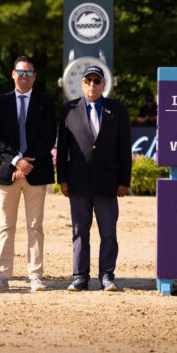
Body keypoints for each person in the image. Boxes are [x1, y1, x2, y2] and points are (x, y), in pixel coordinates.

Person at [57, 65, 131, 292]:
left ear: (103, 85)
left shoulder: (117, 110)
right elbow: (62, 148)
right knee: (80, 231)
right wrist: (62, 179)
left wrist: (124, 181)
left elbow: (124, 149)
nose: (92, 85)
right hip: (78, 182)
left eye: (96, 81)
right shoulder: (69, 109)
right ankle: (80, 277)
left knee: (108, 232)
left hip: (108, 183)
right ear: (82, 84)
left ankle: (107, 276)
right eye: (88, 80)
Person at [0, 56, 57, 293]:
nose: (24, 77)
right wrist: (17, 162)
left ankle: (35, 275)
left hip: (36, 172)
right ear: (13, 74)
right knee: (6, 226)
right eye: (21, 72)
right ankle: (2, 276)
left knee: (35, 227)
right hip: (8, 173)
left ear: (34, 77)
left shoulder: (46, 102)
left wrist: (27, 164)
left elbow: (48, 136)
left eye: (29, 73)